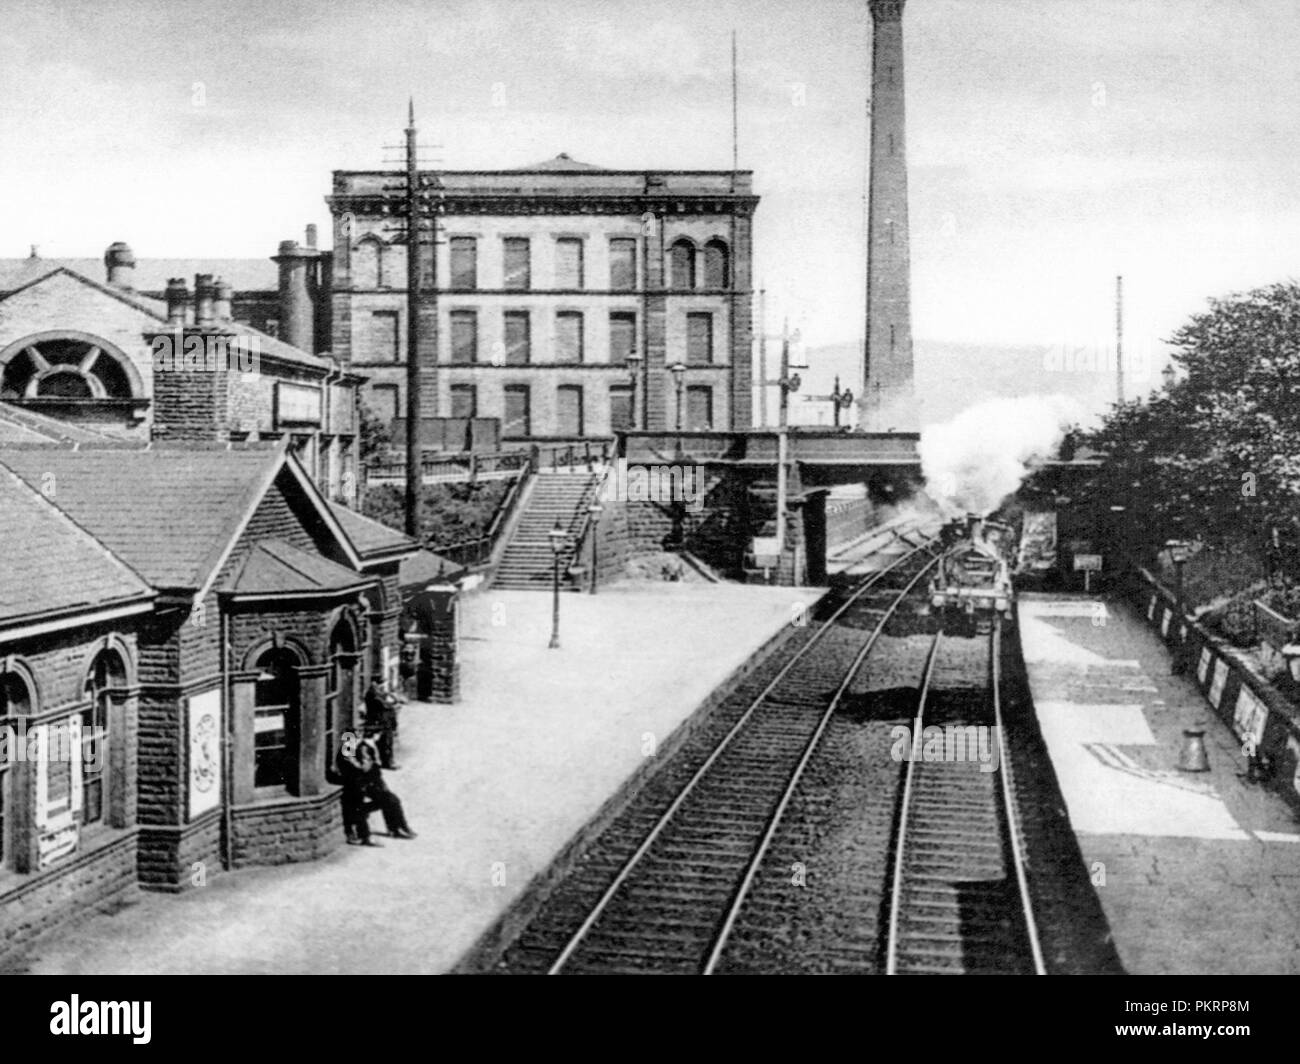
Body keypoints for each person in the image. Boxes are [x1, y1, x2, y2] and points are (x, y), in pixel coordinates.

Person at [357, 739, 417, 840]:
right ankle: (400, 828)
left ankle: (396, 829)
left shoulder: (367, 745)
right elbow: (363, 768)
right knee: (391, 800)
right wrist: (372, 763)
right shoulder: (360, 746)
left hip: (374, 782)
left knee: (391, 800)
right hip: (365, 784)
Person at [335, 733, 379, 847]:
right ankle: (363, 835)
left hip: (357, 782)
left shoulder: (359, 744)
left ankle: (363, 834)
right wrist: (364, 766)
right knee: (357, 806)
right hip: (350, 783)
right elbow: (353, 764)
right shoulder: (349, 741)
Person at [363, 679, 400, 770]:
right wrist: (392, 699)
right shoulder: (373, 695)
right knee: (386, 742)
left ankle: (386, 761)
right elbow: (386, 705)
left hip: (382, 721)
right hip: (379, 721)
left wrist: (388, 695)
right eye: (380, 684)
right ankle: (387, 762)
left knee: (385, 742)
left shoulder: (376, 693)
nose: (382, 686)